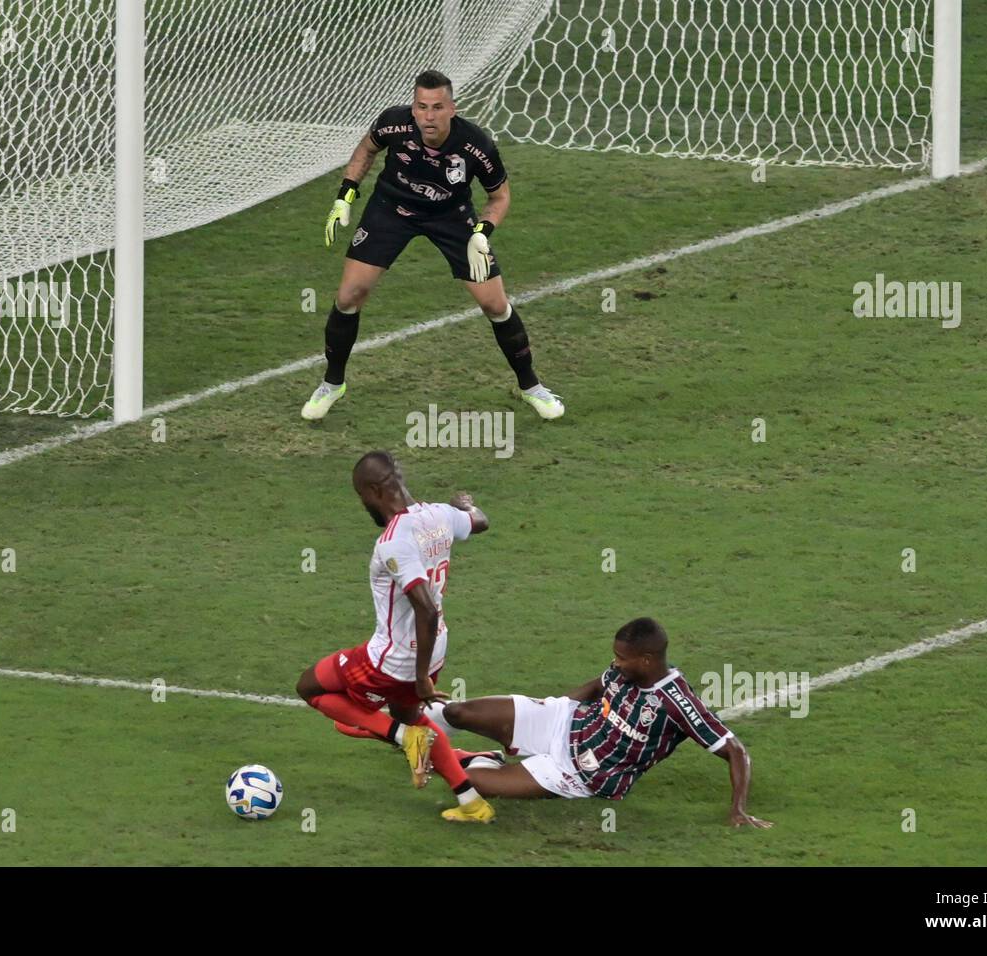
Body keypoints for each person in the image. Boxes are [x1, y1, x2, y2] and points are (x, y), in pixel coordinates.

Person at [302, 69, 564, 422]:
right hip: (390, 208)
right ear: (413, 108)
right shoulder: (393, 124)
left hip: (451, 217)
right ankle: (332, 384)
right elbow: (366, 149)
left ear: (452, 109)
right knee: (350, 295)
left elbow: (499, 196)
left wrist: (481, 234)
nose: (428, 116)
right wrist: (345, 196)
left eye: (437, 107)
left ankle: (530, 386)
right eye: (422, 106)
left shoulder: (476, 145)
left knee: (494, 303)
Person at [295, 450, 496, 822]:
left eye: (361, 496)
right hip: (435, 649)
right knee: (411, 717)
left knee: (311, 688)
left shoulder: (393, 542)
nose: (362, 505)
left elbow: (425, 607)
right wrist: (466, 504)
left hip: (393, 659)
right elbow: (479, 521)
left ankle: (403, 738)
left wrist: (419, 679)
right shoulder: (439, 514)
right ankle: (472, 802)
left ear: (373, 491)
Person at [428, 617, 774, 828]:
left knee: (467, 782)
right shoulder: (625, 670)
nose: (616, 662)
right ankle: (400, 730)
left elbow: (735, 750)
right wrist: (555, 708)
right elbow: (598, 684)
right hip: (564, 722)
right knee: (456, 712)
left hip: (577, 774)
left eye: (622, 657)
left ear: (647, 659)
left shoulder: (677, 702)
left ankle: (485, 760)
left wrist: (738, 809)